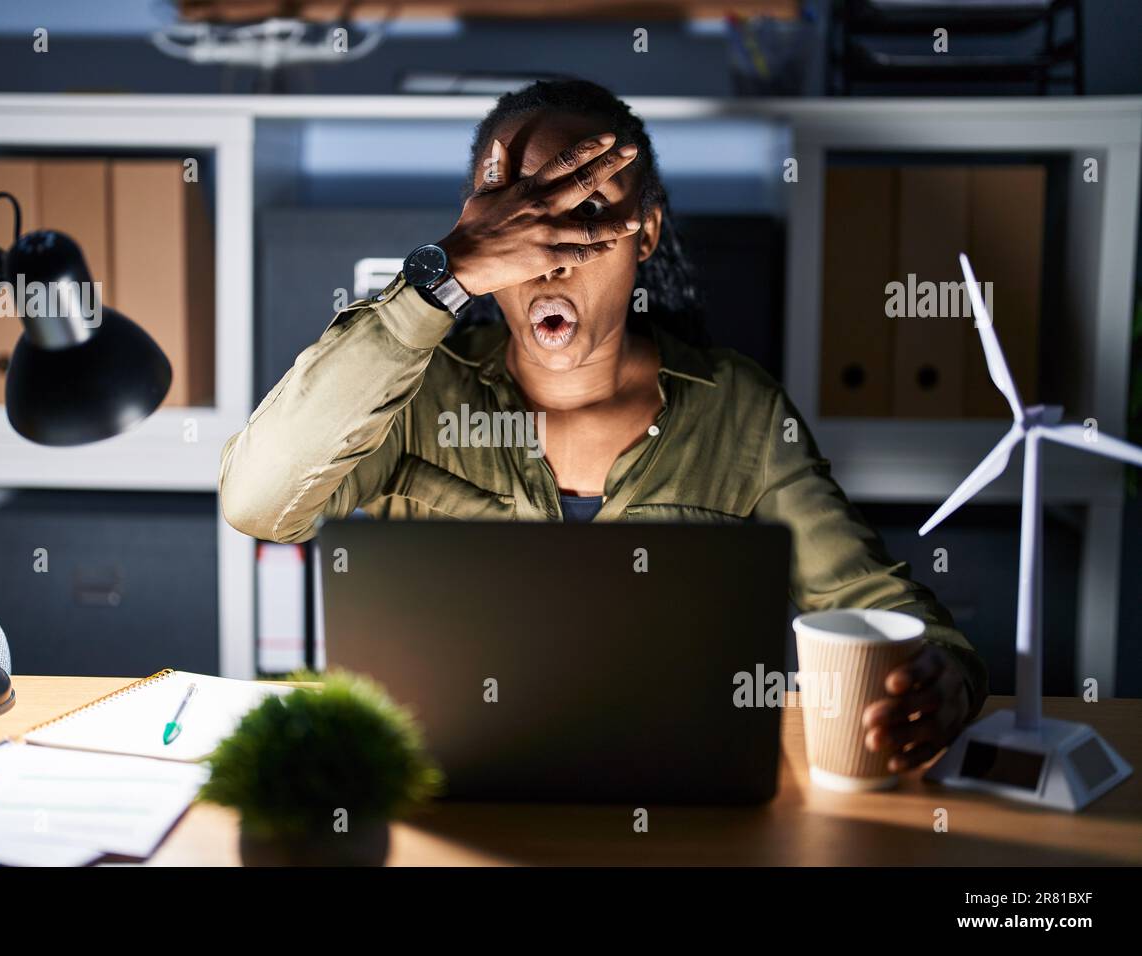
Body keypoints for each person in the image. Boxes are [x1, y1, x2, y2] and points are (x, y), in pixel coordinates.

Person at [219, 79, 988, 773]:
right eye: (522, 222)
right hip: (441, 797)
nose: (549, 258)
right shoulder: (417, 395)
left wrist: (944, 676)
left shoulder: (737, 409)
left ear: (645, 233)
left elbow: (872, 603)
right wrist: (440, 276)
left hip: (671, 805)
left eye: (584, 216)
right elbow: (259, 501)